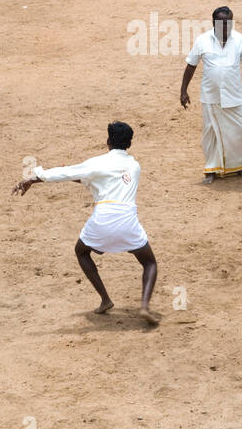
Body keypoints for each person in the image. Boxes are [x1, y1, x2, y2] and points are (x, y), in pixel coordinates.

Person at [12, 121, 160, 326]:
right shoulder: (134, 166)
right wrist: (77, 175)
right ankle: (144, 305)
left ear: (108, 141)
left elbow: (70, 174)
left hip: (102, 218)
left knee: (81, 252)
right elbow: (96, 179)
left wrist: (33, 179)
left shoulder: (97, 163)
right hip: (128, 220)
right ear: (129, 144)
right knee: (149, 263)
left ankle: (106, 299)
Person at [180, 6, 242, 184]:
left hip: (234, 94)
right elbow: (191, 66)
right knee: (211, 134)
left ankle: (241, 167)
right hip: (211, 96)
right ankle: (211, 169)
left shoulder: (240, 40)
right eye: (222, 23)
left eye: (229, 23)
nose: (226, 27)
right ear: (214, 23)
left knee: (241, 131)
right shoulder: (202, 40)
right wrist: (183, 90)